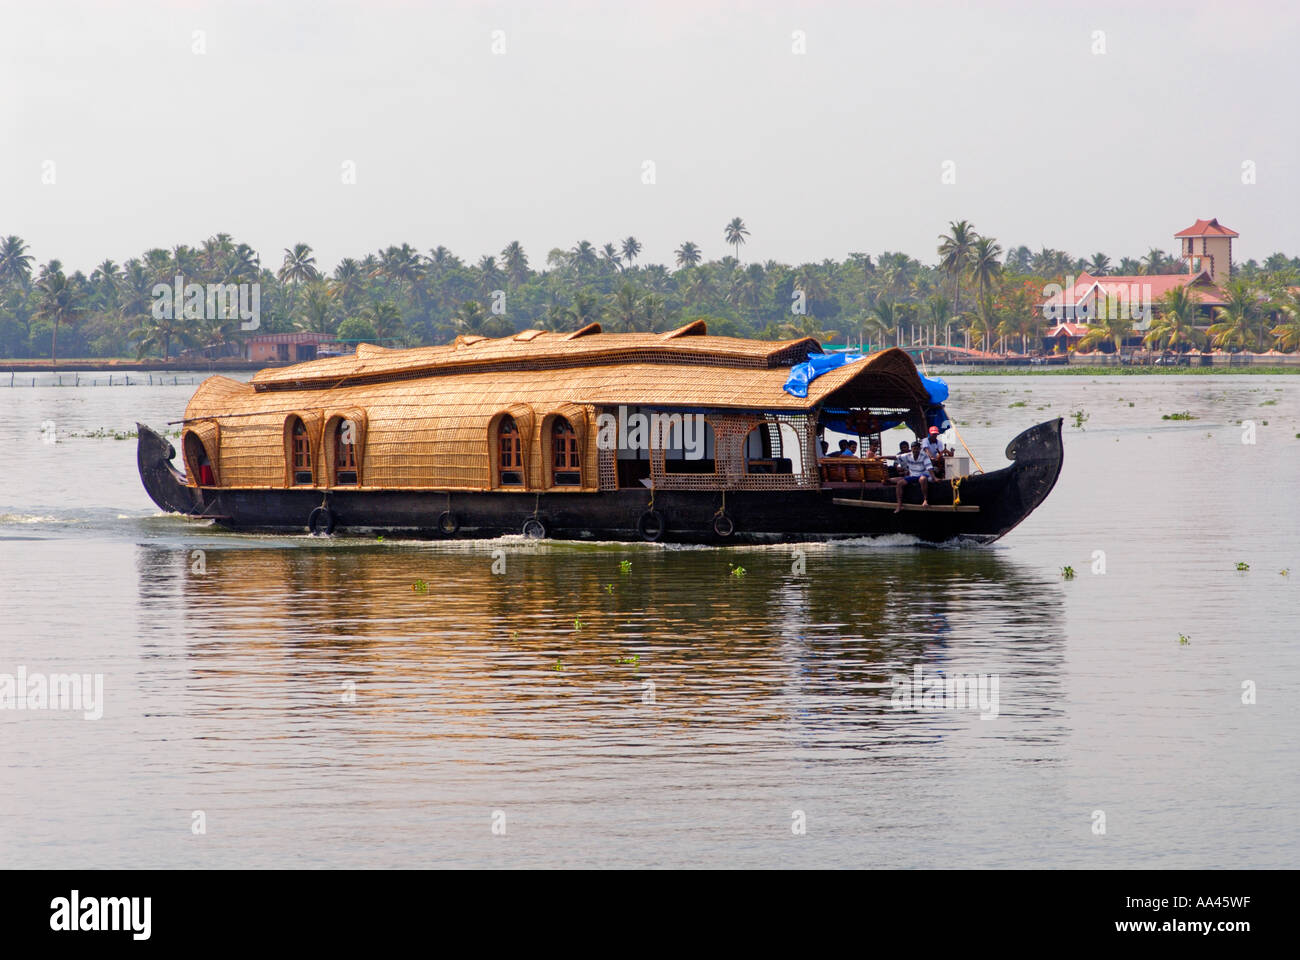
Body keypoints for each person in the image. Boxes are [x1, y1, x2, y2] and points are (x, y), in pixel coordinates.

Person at [893, 440, 934, 512]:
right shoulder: (908, 455)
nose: (915, 450)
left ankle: (925, 500)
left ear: (920, 449)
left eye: (917, 448)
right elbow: (894, 457)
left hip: (922, 474)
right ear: (911, 449)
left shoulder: (924, 456)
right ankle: (899, 505)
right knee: (899, 483)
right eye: (914, 448)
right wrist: (881, 457)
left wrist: (934, 477)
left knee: (922, 479)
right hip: (912, 475)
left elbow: (929, 467)